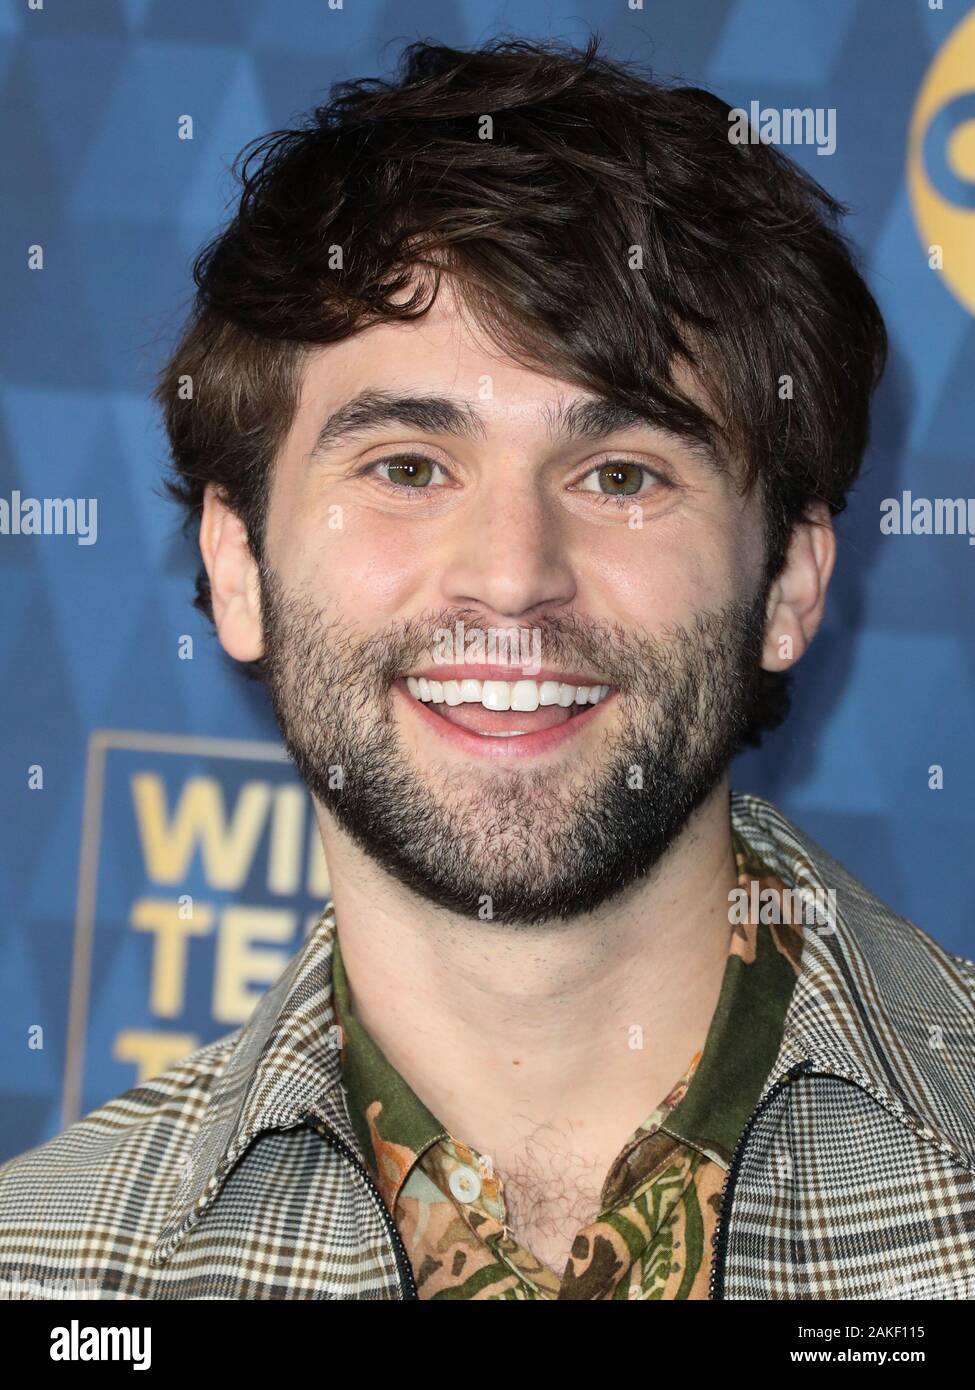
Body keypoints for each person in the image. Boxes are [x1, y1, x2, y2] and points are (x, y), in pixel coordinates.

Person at [2, 35, 974, 1302]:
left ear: (788, 582)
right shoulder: (50, 1277)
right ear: (237, 566)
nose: (512, 574)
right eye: (406, 466)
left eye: (621, 476)